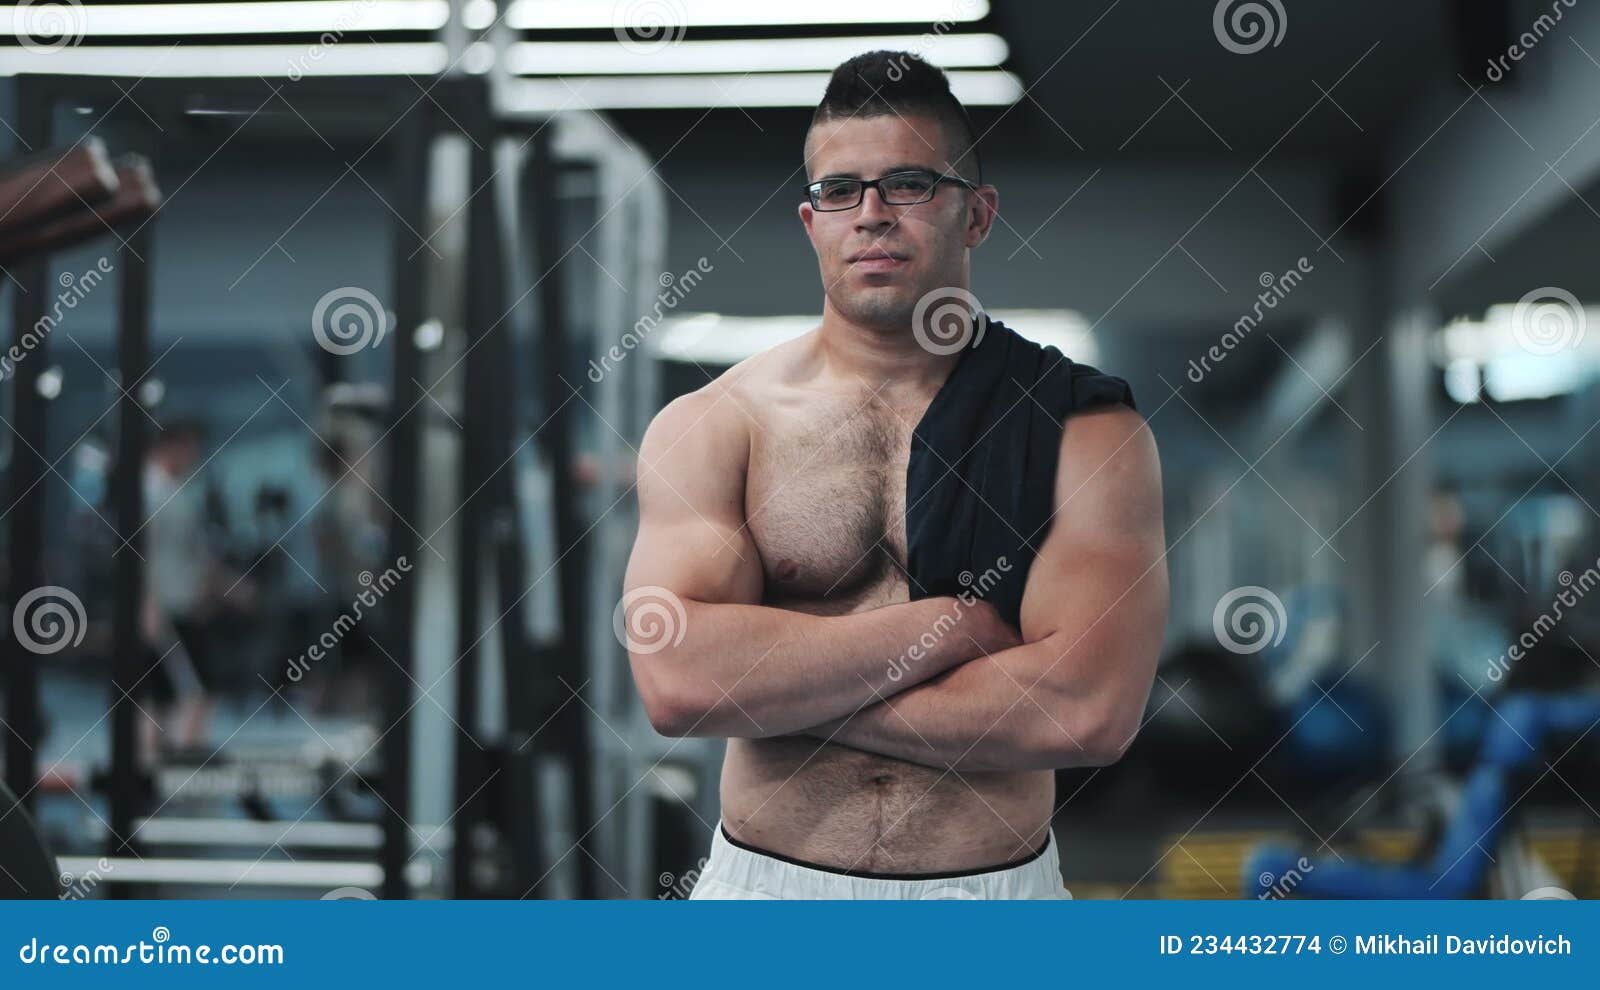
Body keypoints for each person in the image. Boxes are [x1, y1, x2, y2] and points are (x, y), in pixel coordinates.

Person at [622, 51, 1169, 899]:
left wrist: (776, 693)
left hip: (993, 899)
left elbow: (1087, 712)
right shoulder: (716, 423)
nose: (870, 215)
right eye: (840, 191)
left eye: (909, 184)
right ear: (812, 223)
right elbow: (679, 682)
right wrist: (949, 631)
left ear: (977, 214)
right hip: (764, 893)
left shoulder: (1085, 429)